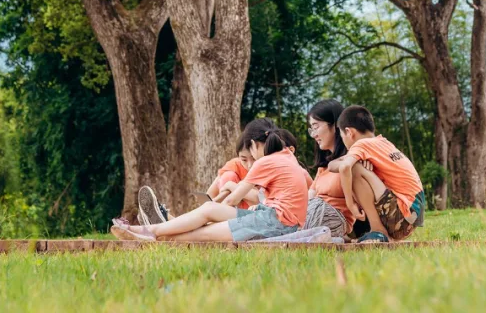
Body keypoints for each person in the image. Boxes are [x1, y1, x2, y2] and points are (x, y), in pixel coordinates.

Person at [112, 125, 308, 242]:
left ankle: (150, 232)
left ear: (256, 146)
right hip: (270, 217)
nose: (252, 159)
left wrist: (215, 211)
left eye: (251, 152)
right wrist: (212, 209)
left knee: (202, 233)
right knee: (207, 209)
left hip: (274, 223)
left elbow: (233, 199)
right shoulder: (288, 157)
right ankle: (154, 229)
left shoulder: (266, 161)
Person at [329, 105, 425, 243]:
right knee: (357, 165)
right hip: (410, 219)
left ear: (349, 132)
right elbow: (333, 165)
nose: (343, 142)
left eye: (342, 136)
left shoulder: (361, 144)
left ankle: (378, 230)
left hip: (402, 216)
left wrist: (350, 205)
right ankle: (386, 234)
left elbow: (344, 167)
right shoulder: (383, 143)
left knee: (354, 168)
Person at [305, 99, 355, 239]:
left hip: (331, 220)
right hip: (312, 216)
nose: (314, 135)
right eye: (311, 129)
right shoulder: (323, 169)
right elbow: (309, 198)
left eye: (316, 127)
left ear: (334, 125)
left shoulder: (353, 160)